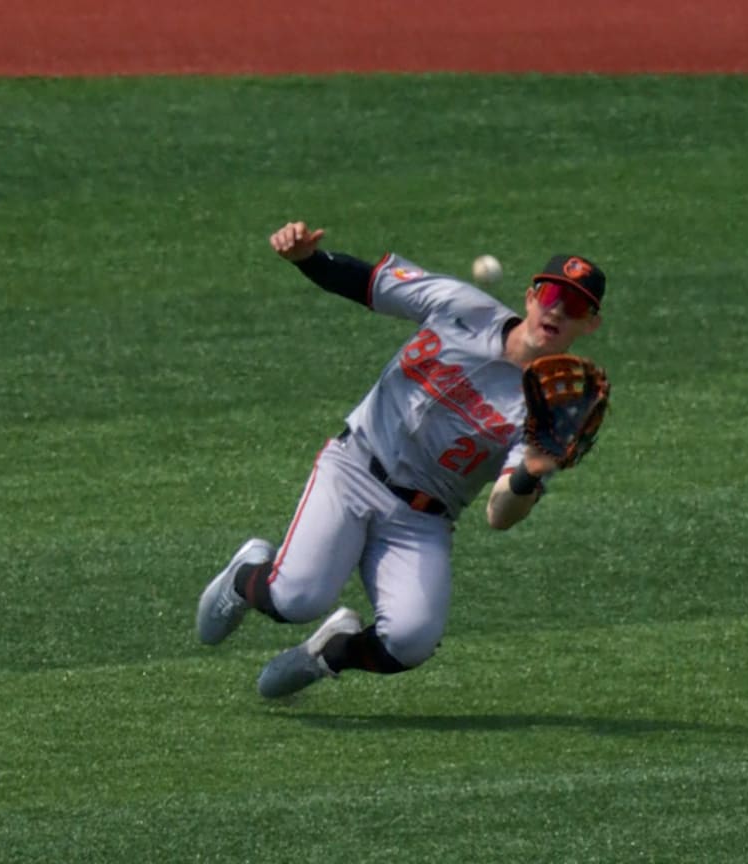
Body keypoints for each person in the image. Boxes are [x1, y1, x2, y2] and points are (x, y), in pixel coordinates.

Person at [195, 221, 607, 698]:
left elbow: (499, 515)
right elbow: (370, 285)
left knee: (412, 640)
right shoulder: (461, 305)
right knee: (295, 598)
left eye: (574, 305)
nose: (556, 309)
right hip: (354, 468)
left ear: (590, 323)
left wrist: (529, 475)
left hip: (421, 519)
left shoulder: (548, 409)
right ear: (531, 296)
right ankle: (243, 575)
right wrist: (307, 259)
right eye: (550, 294)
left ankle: (331, 652)